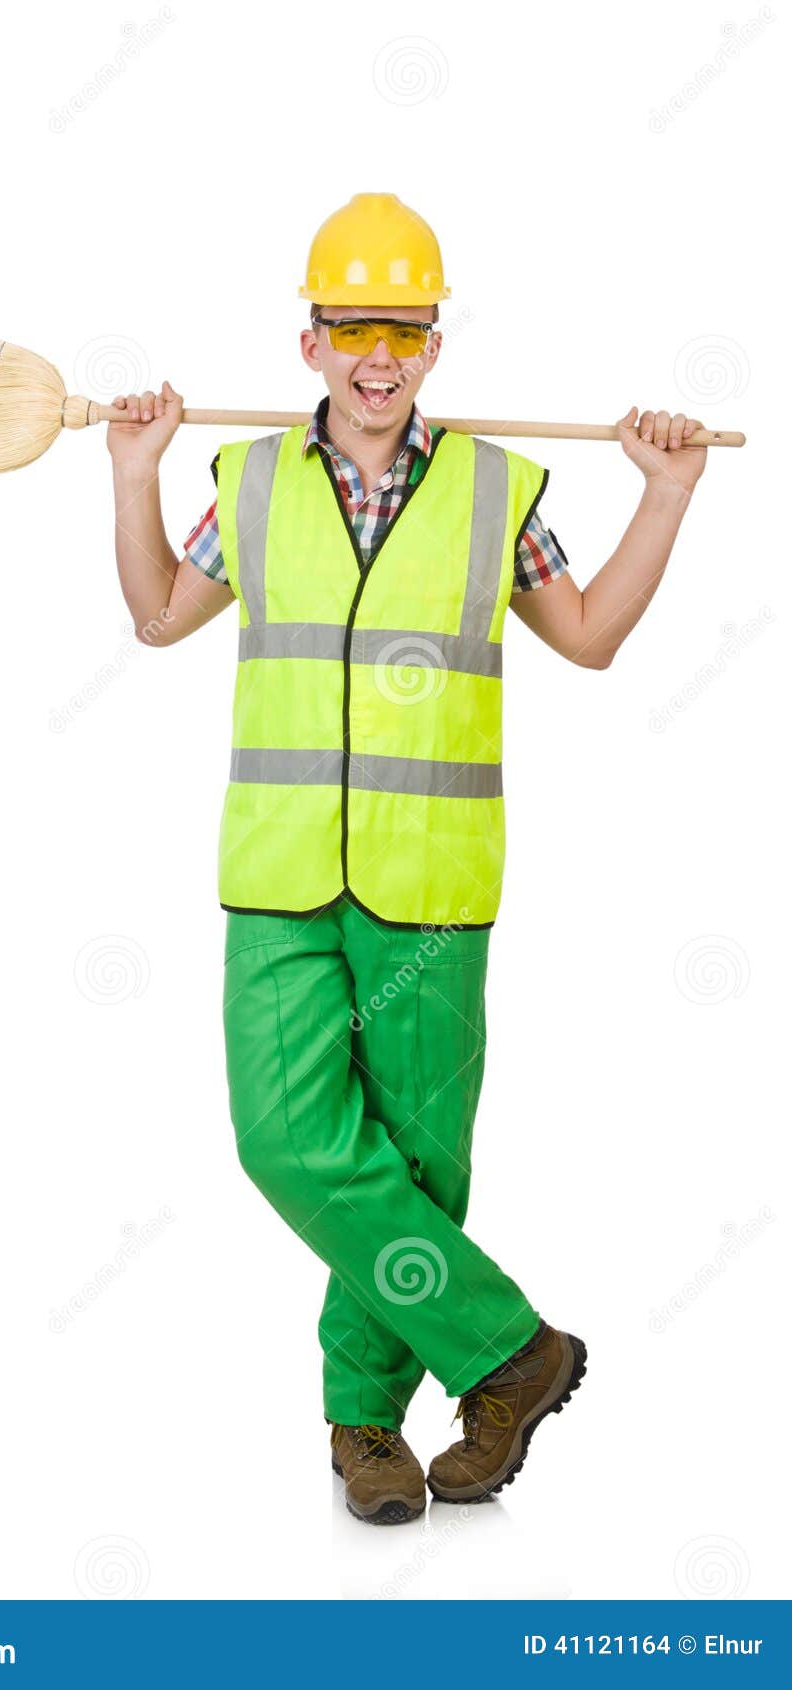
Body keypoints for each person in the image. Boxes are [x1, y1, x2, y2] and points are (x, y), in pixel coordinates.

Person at [107, 194, 707, 1525]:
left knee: (419, 1162)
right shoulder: (249, 484)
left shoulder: (497, 491)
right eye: (351, 327)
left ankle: (363, 1419)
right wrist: (133, 471)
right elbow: (156, 616)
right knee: (289, 1142)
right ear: (307, 341)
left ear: (435, 344)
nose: (378, 355)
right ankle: (510, 1352)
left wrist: (664, 498)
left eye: (406, 329)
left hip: (433, 884)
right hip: (278, 877)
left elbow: (593, 634)